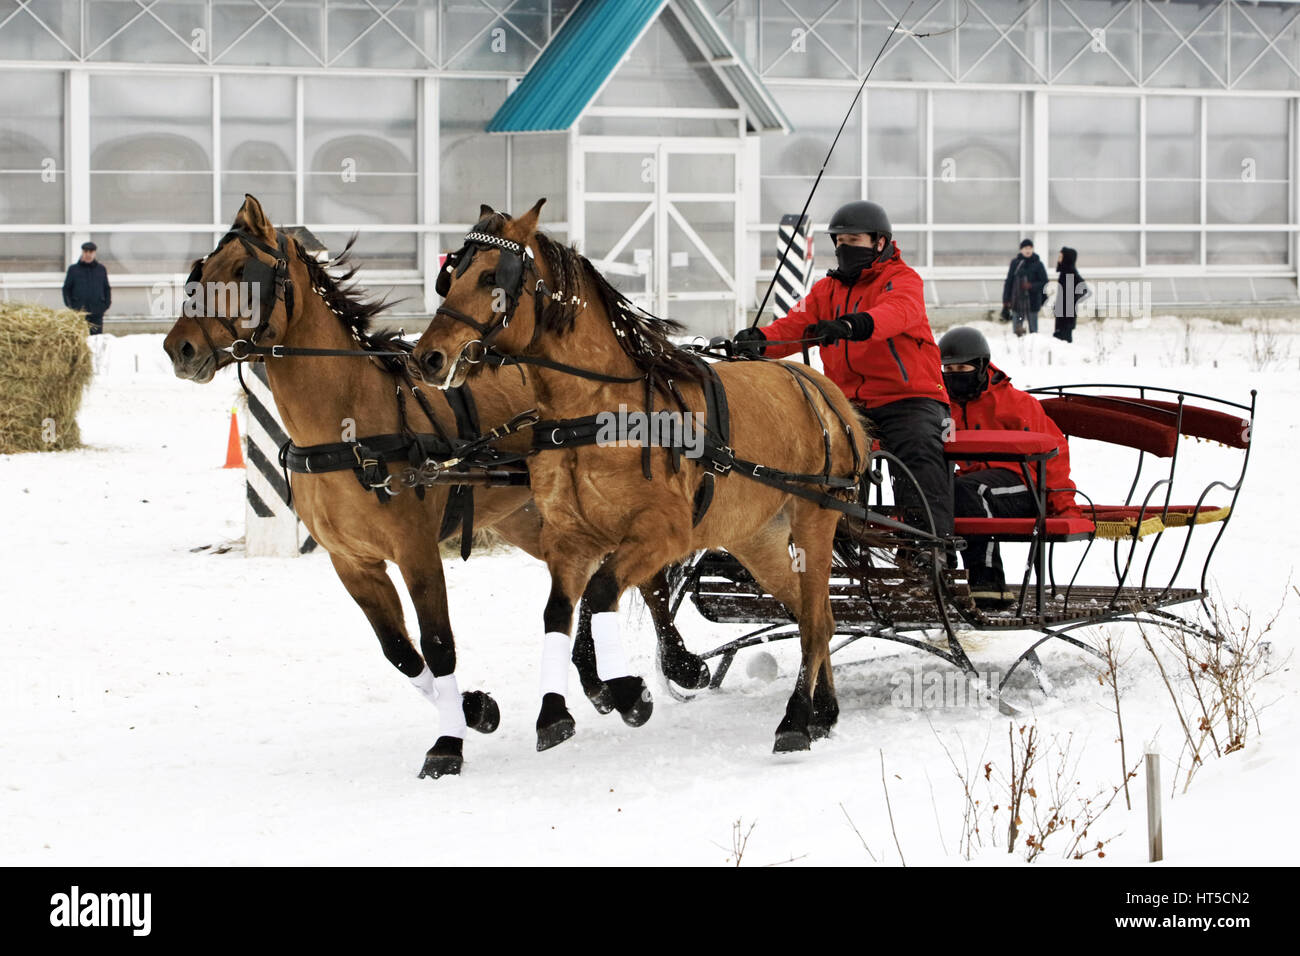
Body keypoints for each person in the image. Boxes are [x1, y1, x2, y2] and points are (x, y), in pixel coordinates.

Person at [734, 200, 953, 542]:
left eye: (853, 242)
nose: (843, 249)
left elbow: (898, 312)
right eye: (839, 242)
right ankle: (819, 534)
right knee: (813, 449)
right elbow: (796, 326)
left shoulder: (902, 280)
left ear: (879, 243)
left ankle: (929, 546)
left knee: (918, 451)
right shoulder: (827, 290)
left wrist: (856, 324)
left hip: (908, 399)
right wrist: (759, 341)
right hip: (847, 402)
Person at [938, 326, 1079, 600]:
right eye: (949, 370)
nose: (955, 377)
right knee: (938, 490)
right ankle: (942, 573)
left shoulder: (1016, 405)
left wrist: (1062, 505)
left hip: (1026, 487)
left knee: (970, 491)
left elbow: (1053, 456)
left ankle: (988, 583)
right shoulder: (944, 408)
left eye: (962, 369)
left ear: (980, 367)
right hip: (975, 485)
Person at [63, 241, 111, 335]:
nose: (88, 254)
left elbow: (106, 288)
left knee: (96, 340)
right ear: (82, 253)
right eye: (86, 252)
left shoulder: (101, 269)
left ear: (94, 253)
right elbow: (66, 289)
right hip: (79, 313)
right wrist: (72, 306)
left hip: (96, 312)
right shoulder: (73, 269)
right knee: (79, 339)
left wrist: (105, 305)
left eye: (91, 252)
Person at [1001, 239, 1047, 337]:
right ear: (1021, 250)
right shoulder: (1015, 263)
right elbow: (1009, 281)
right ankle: (1018, 344)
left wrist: (1031, 286)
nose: (1028, 250)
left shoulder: (1038, 264)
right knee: (1018, 328)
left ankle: (1032, 347)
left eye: (1030, 248)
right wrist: (1006, 300)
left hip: (1032, 302)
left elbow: (1044, 282)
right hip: (1017, 302)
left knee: (1033, 330)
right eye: (1025, 248)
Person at [1052, 246, 1088, 343]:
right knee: (1059, 341)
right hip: (1062, 314)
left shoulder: (1070, 273)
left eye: (1061, 256)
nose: (1058, 259)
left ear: (1067, 258)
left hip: (1067, 316)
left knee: (1064, 342)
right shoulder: (1064, 273)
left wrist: (1072, 301)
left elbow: (1084, 289)